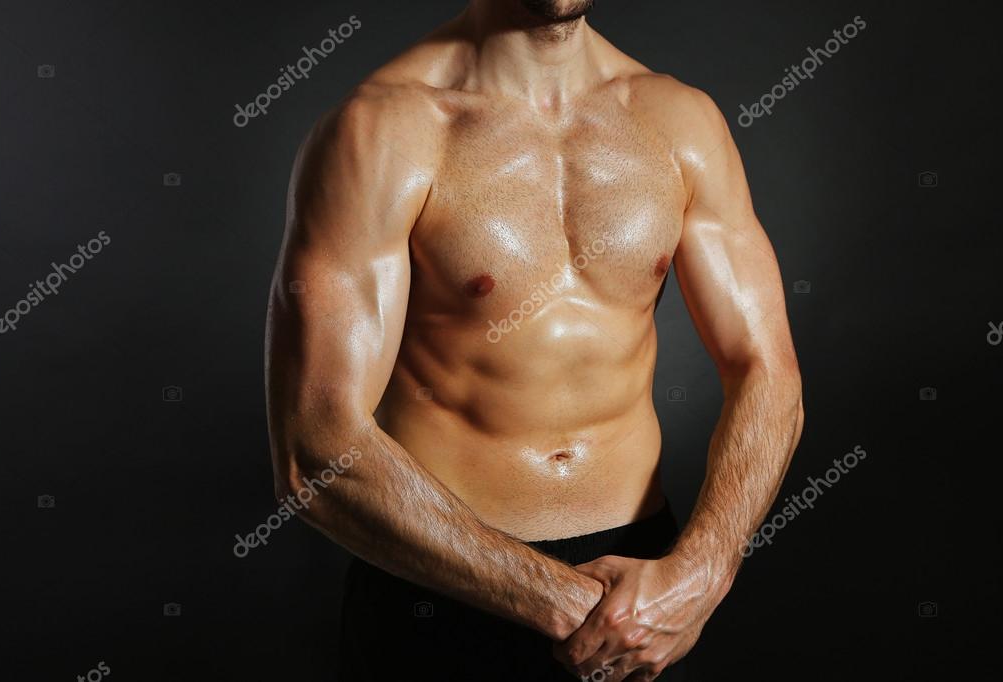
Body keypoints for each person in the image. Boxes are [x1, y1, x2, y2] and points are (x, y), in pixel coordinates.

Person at [265, 1, 804, 679]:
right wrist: (571, 604)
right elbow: (315, 447)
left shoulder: (678, 121)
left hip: (646, 591)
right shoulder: (382, 130)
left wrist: (701, 570)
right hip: (444, 589)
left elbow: (766, 371)